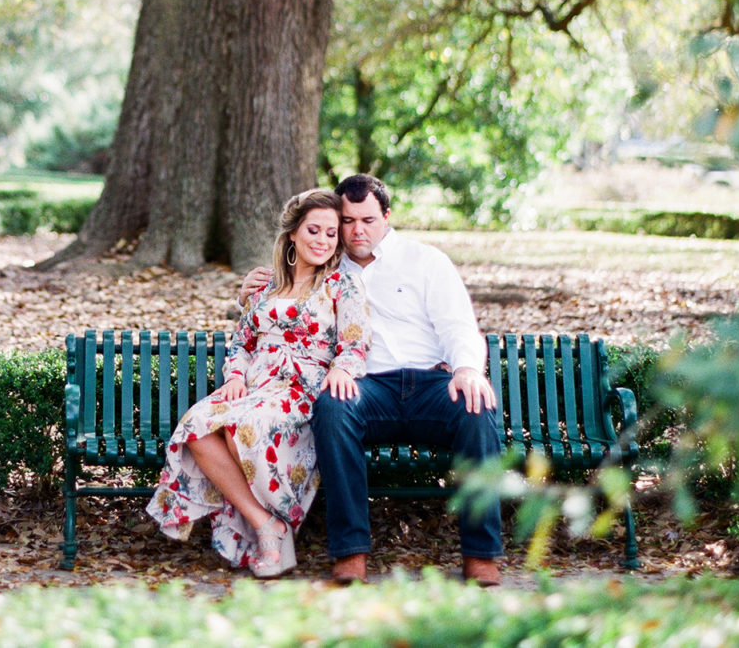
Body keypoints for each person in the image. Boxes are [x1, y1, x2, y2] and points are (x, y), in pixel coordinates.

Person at [239, 173, 503, 586]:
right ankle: (350, 552)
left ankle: (481, 554)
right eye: (347, 221)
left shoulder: (424, 260)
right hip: (368, 387)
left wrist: (467, 368)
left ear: (387, 217)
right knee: (333, 408)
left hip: (430, 384)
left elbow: (457, 325)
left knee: (476, 407)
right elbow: (279, 308)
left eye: (368, 220)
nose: (357, 230)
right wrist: (247, 294)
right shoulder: (326, 268)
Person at [147, 188, 370, 578]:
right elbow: (242, 343)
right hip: (256, 386)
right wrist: (235, 376)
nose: (322, 240)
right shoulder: (266, 286)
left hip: (301, 390)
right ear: (293, 234)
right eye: (313, 230)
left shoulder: (341, 284)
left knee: (243, 426)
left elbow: (355, 342)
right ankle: (267, 524)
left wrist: (342, 369)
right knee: (196, 426)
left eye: (331, 233)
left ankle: (272, 534)